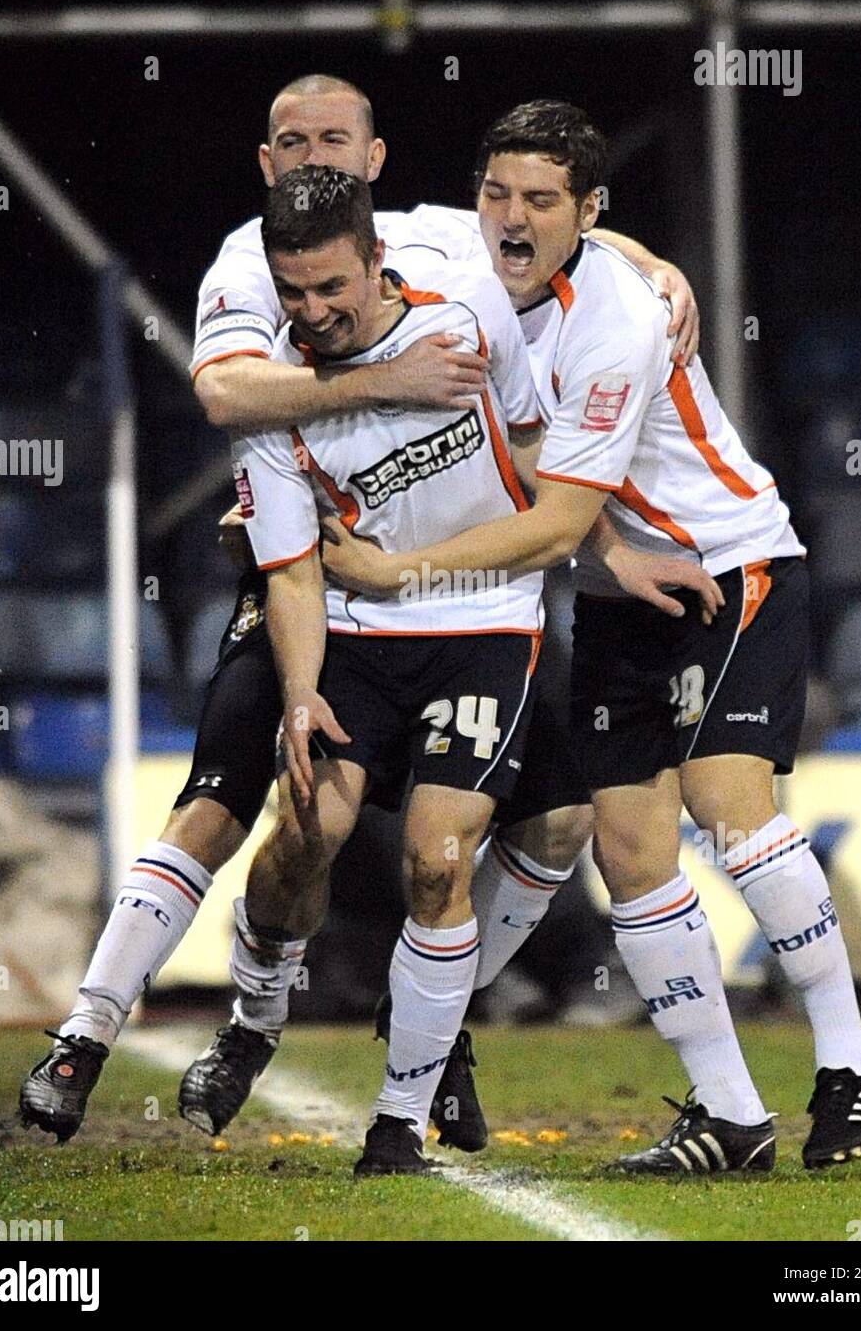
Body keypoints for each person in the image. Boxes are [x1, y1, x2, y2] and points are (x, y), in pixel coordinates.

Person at [17, 75, 705, 1147]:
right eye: (288, 139)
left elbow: (540, 280)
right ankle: (146, 1029)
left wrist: (650, 264)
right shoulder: (251, 267)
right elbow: (227, 399)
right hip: (325, 599)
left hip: (479, 606)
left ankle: (428, 1036)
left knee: (532, 826)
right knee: (260, 818)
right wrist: (380, 388)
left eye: (331, 138)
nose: (310, 156)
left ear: (374, 168)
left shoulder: (452, 263)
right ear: (264, 163)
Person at [322, 100, 861, 1175]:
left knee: (730, 808)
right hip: (620, 590)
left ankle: (849, 1066)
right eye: (497, 193)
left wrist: (387, 572)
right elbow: (325, 241)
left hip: (728, 568)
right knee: (628, 849)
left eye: (540, 201)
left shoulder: (615, 323)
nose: (509, 219)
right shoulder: (452, 244)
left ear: (583, 211)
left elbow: (548, 520)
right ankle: (730, 1116)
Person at [212, 163, 550, 1175]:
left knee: (439, 857)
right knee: (307, 828)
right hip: (355, 633)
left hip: (484, 618)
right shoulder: (273, 398)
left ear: (374, 262)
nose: (313, 312)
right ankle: (255, 1007)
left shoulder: (468, 318)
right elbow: (291, 571)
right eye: (292, 294)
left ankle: (400, 1118)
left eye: (331, 288)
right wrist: (304, 693)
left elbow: (535, 455)